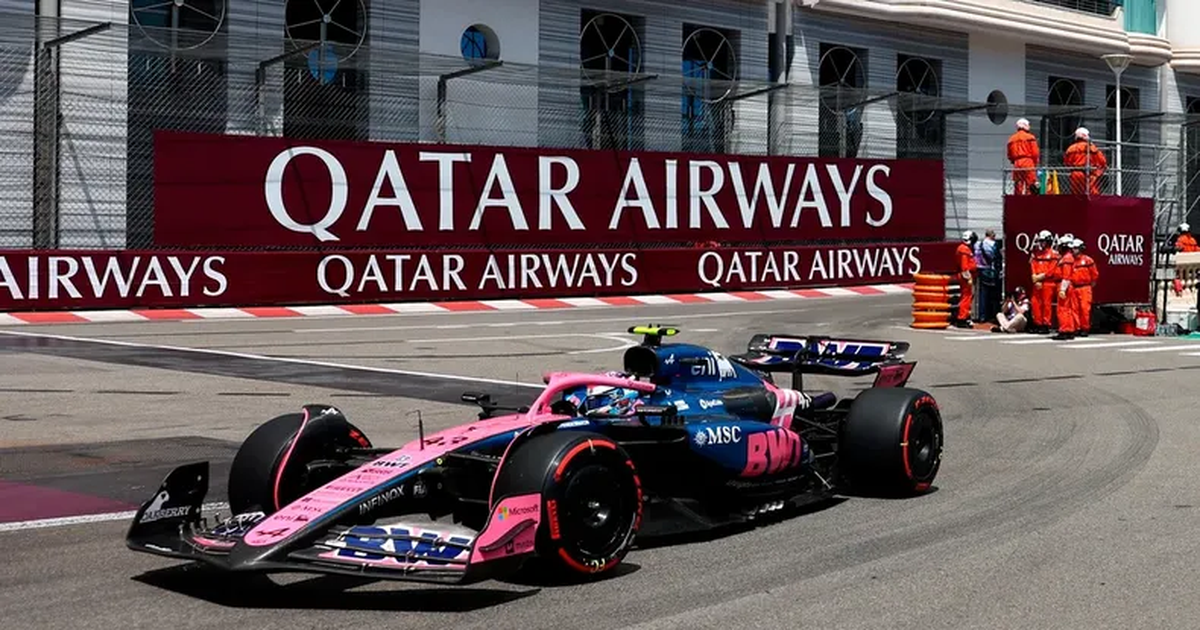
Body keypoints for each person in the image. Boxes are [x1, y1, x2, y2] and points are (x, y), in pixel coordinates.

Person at [1063, 127, 1107, 196]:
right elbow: (1102, 161)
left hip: (1075, 174)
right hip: (1089, 175)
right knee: (1092, 194)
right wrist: (1097, 172)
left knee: (1076, 195)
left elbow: (1066, 163)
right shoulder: (1091, 147)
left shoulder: (1070, 148)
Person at [1069, 238, 1098, 337]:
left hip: (1085, 288)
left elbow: (1094, 274)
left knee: (1085, 309)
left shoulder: (1088, 260)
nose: (1073, 250)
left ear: (1081, 249)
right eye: (1073, 248)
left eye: (1076, 248)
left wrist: (1090, 285)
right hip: (1074, 287)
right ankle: (1077, 328)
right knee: (1074, 309)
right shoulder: (1070, 261)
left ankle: (1084, 328)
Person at [1052, 234, 1078, 340]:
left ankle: (1064, 330)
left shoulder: (1066, 258)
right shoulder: (1067, 257)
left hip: (1064, 285)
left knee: (1062, 309)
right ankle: (1069, 330)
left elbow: (1066, 276)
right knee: (1067, 309)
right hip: (1066, 285)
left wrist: (1063, 289)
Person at [1007, 119, 1041, 195]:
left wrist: (1014, 161)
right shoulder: (1030, 137)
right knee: (1030, 183)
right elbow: (1035, 153)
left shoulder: (1011, 139)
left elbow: (1009, 155)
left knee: (1018, 184)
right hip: (1028, 162)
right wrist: (1035, 164)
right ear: (1025, 126)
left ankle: (1018, 199)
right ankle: (1029, 199)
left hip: (1017, 163)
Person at [975, 229, 1001, 323]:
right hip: (990, 270)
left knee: (982, 294)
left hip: (980, 270)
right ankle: (992, 314)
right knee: (994, 294)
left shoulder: (978, 244)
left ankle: (982, 316)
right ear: (992, 235)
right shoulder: (993, 244)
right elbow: (997, 257)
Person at [955, 230, 979, 328]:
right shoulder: (964, 250)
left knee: (966, 296)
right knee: (966, 297)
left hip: (965, 275)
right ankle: (962, 318)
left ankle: (964, 316)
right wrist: (968, 277)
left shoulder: (963, 248)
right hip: (966, 276)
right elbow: (964, 266)